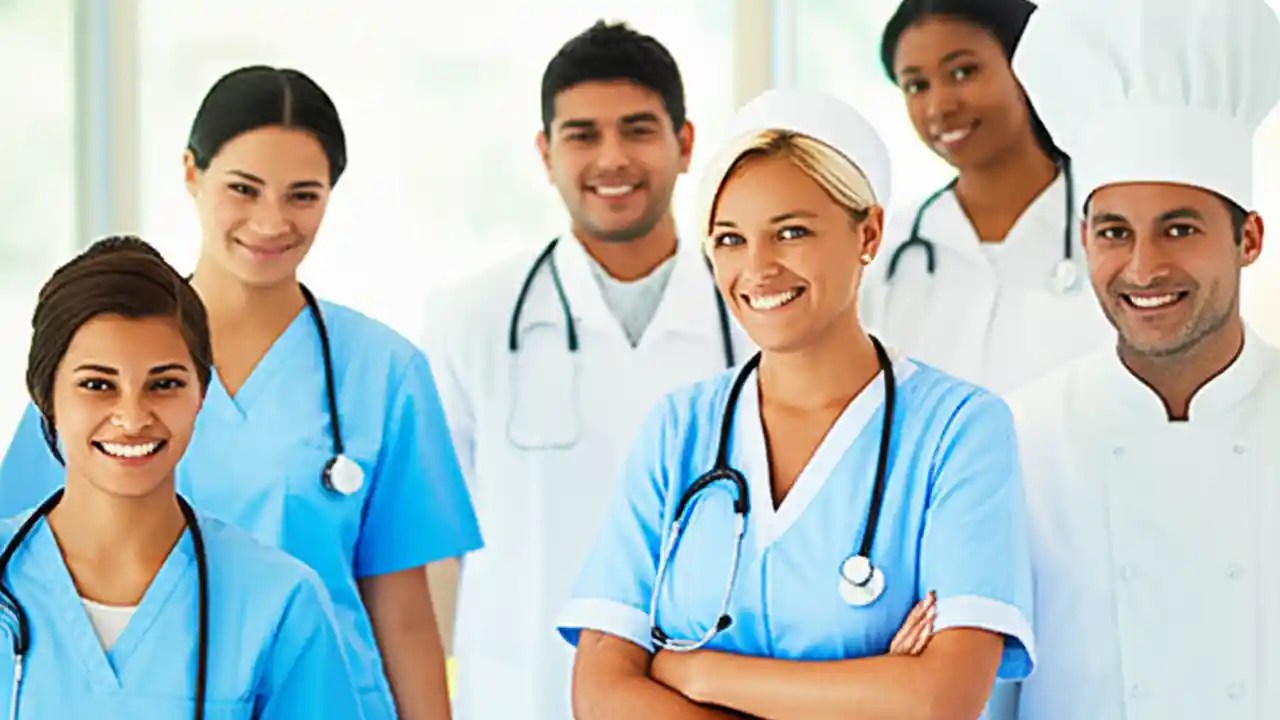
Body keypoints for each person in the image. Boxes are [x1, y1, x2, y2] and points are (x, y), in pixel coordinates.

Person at [0, 66, 482, 719]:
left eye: (302, 195)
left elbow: (403, 612)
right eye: (243, 189)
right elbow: (31, 557)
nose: (271, 220)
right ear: (192, 173)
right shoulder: (98, 355)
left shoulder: (383, 370)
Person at [557, 88, 1034, 720]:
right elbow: (600, 696)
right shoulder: (678, 430)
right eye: (730, 240)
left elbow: (938, 700)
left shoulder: (959, 430)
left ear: (868, 233)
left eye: (791, 232)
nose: (758, 269)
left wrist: (693, 671)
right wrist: (871, 690)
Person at [419, 21, 752, 719]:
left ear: (685, 144)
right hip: (522, 693)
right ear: (545, 153)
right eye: (582, 135)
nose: (612, 159)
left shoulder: (755, 316)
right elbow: (429, 548)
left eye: (637, 130)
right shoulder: (471, 319)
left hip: (706, 693)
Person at [993, 0, 1280, 716]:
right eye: (1115, 232)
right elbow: (985, 693)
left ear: (1248, 239)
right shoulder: (1015, 440)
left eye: (1179, 229)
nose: (1144, 267)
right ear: (1084, 240)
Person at [0, 236, 362, 718]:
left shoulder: (277, 600)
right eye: (98, 385)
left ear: (201, 394)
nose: (132, 418)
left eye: (164, 384)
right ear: (45, 395)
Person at [862, 0, 1111, 394]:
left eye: (963, 72)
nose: (940, 107)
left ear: (1026, 70)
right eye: (917, 86)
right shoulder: (886, 251)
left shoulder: (1113, 225)